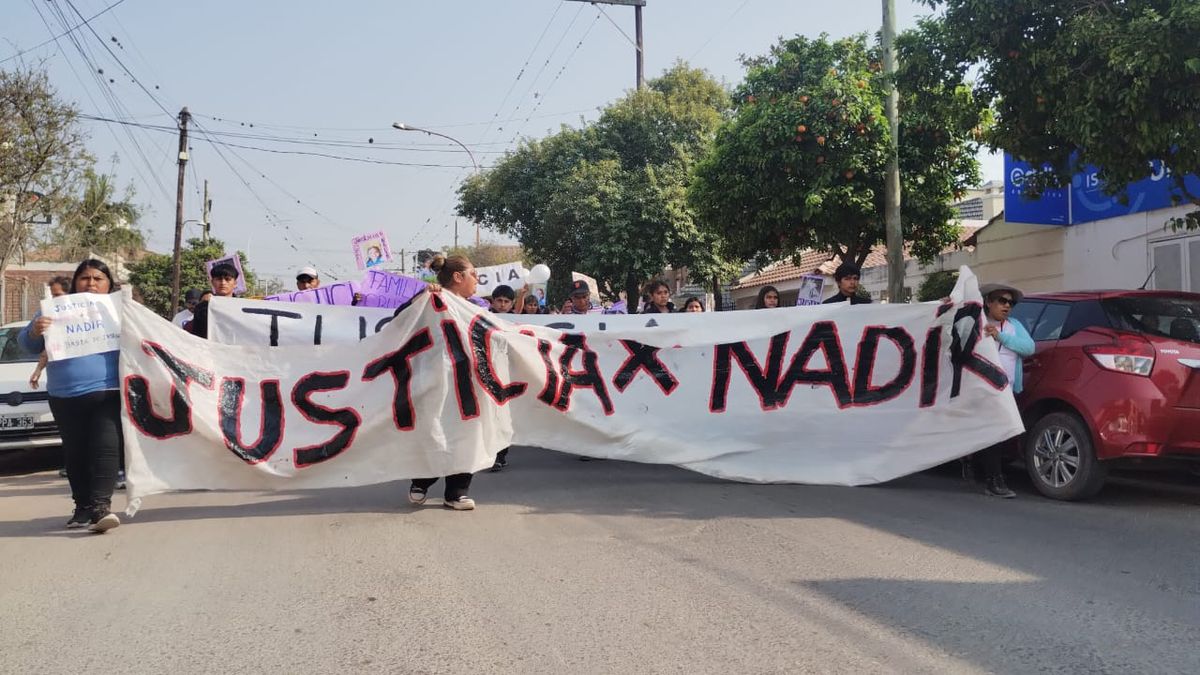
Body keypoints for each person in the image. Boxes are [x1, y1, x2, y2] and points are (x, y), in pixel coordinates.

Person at [19, 260, 124, 533]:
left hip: (107, 390)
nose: (91, 283)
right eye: (85, 278)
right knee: (76, 452)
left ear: (109, 284)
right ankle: (82, 507)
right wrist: (34, 330)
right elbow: (27, 344)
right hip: (65, 394)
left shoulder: (119, 310)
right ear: (76, 282)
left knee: (106, 448)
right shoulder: (56, 310)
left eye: (98, 278)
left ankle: (101, 507)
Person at [408, 255, 483, 510]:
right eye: (473, 274)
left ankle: (457, 492)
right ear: (458, 277)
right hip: (433, 379)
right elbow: (399, 321)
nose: (477, 280)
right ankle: (421, 479)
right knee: (435, 429)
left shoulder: (476, 307)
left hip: (468, 382)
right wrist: (420, 298)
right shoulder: (431, 299)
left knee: (467, 433)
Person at [968, 283, 1035, 499]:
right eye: (1002, 301)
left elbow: (1029, 347)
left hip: (1007, 390)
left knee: (999, 435)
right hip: (981, 389)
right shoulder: (976, 322)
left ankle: (978, 467)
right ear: (988, 302)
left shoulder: (1014, 326)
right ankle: (994, 479)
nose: (1007, 306)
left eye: (1010, 302)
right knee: (994, 434)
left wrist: (1000, 337)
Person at [187, 262, 239, 339]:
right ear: (212, 282)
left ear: (235, 283)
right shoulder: (202, 307)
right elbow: (197, 336)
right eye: (218, 279)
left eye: (227, 279)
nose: (223, 283)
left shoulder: (242, 308)